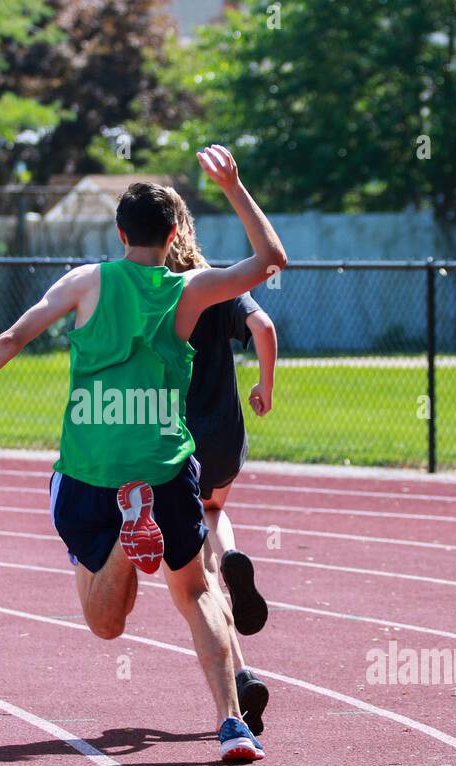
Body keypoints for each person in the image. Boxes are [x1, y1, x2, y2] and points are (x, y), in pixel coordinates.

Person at [0, 146, 286, 762]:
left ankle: (122, 536)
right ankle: (232, 726)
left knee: (105, 625)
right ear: (173, 236)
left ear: (119, 233)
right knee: (195, 593)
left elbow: (13, 337)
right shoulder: (189, 290)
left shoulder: (85, 282)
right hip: (163, 465)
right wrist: (233, 186)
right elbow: (271, 261)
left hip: (90, 470)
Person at [163, 187, 277, 736]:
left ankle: (239, 676)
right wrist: (264, 385)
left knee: (197, 578)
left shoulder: (161, 291)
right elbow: (265, 328)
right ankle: (233, 555)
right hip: (226, 432)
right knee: (213, 514)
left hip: (173, 435)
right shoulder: (221, 284)